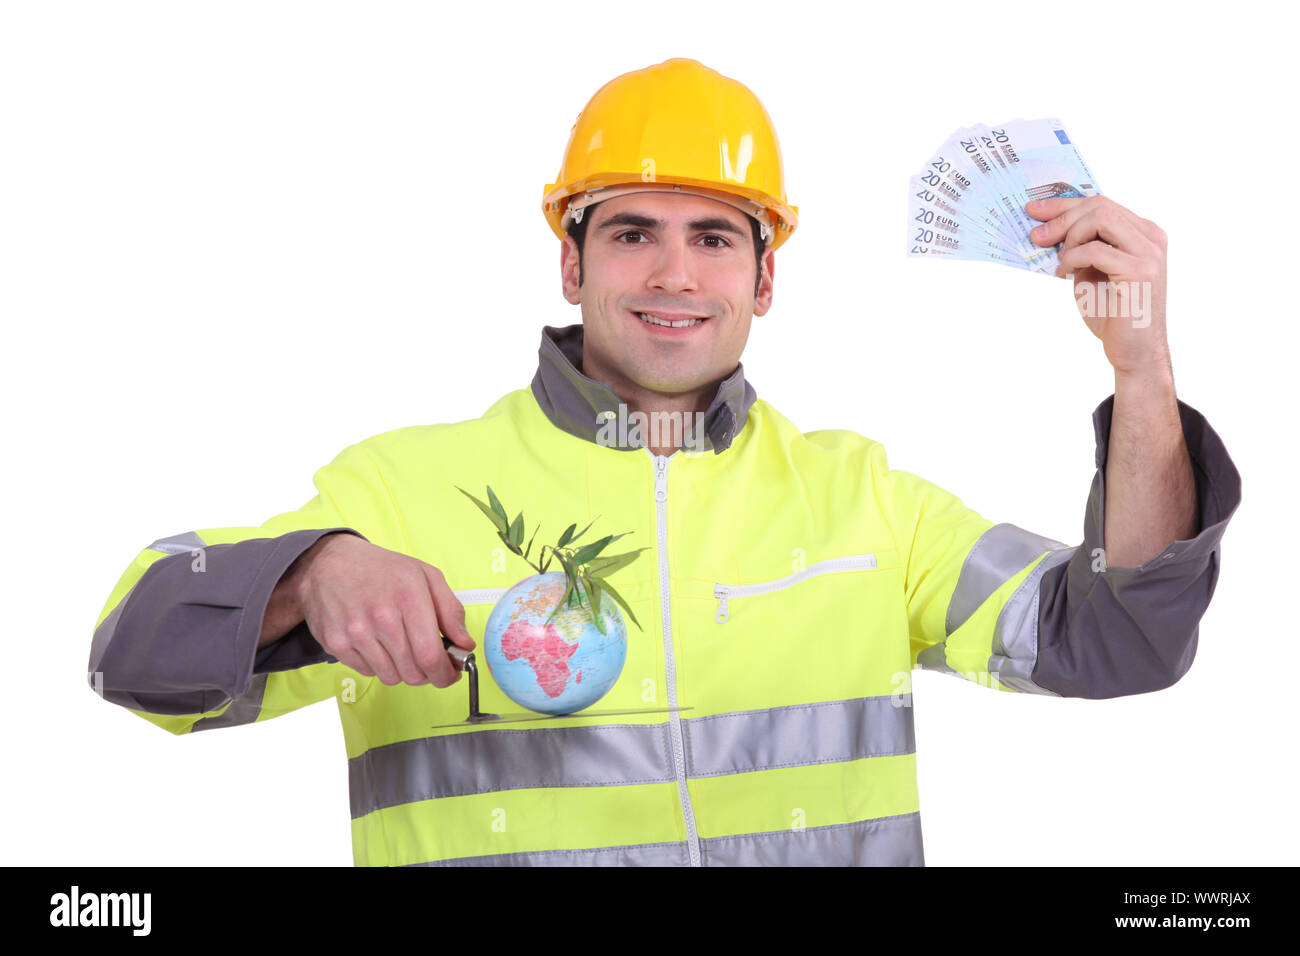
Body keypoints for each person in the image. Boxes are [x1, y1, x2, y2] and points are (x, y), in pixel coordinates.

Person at [87, 57, 1241, 866]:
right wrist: (310, 573)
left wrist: (1142, 374)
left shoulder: (867, 504)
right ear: (571, 263)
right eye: (633, 231)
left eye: (714, 237)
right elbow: (130, 656)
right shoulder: (397, 492)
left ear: (766, 278)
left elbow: (1121, 639)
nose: (674, 276)